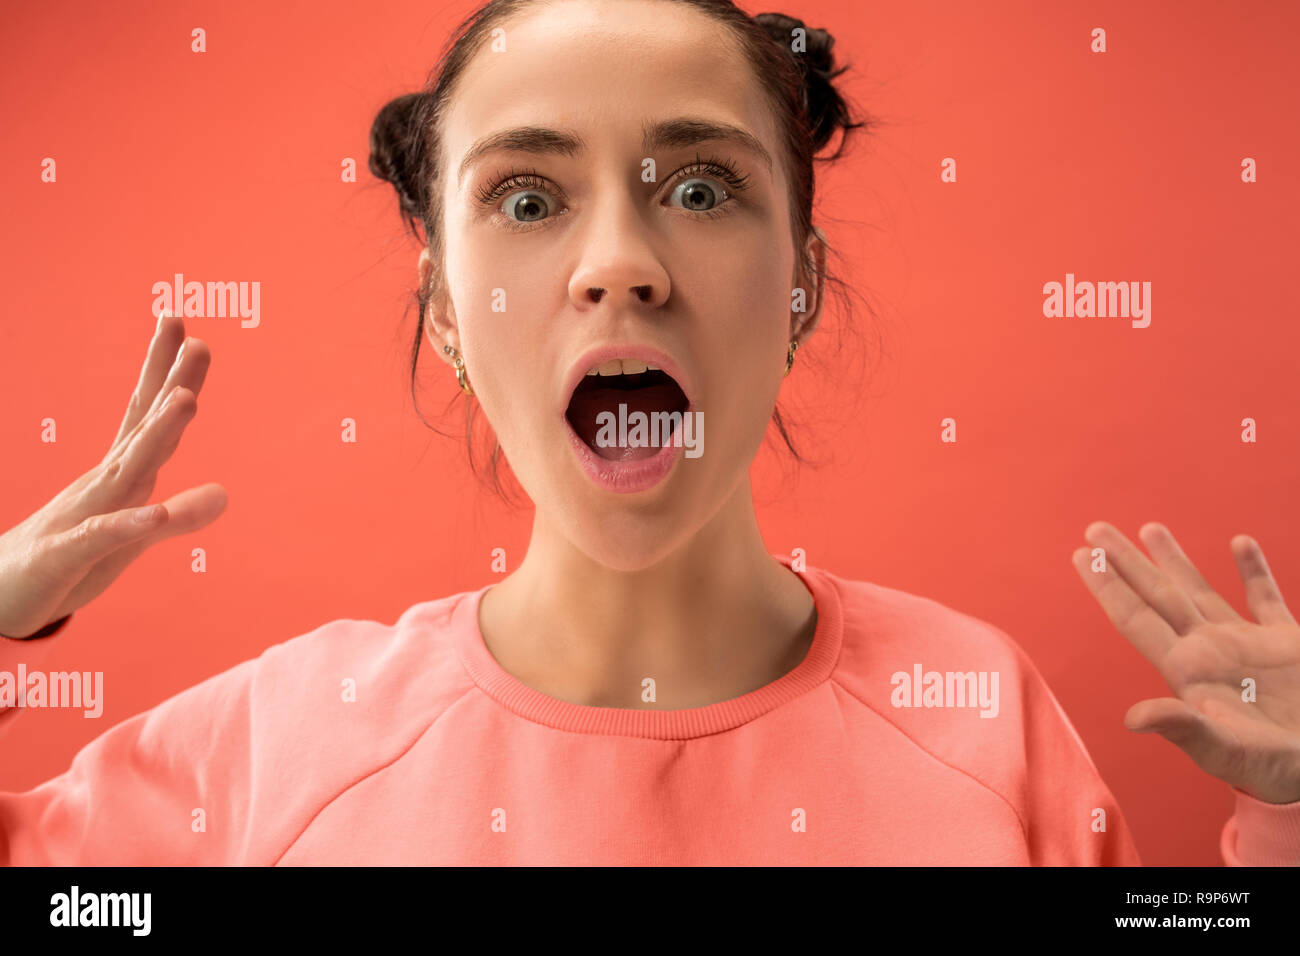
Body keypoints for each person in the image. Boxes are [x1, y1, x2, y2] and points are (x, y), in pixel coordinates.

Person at [2, 0, 1298, 865]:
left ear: (798, 284)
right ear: (446, 310)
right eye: (526, 197)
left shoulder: (978, 720)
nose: (620, 264)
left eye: (698, 187)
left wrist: (1287, 810)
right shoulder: (283, 746)